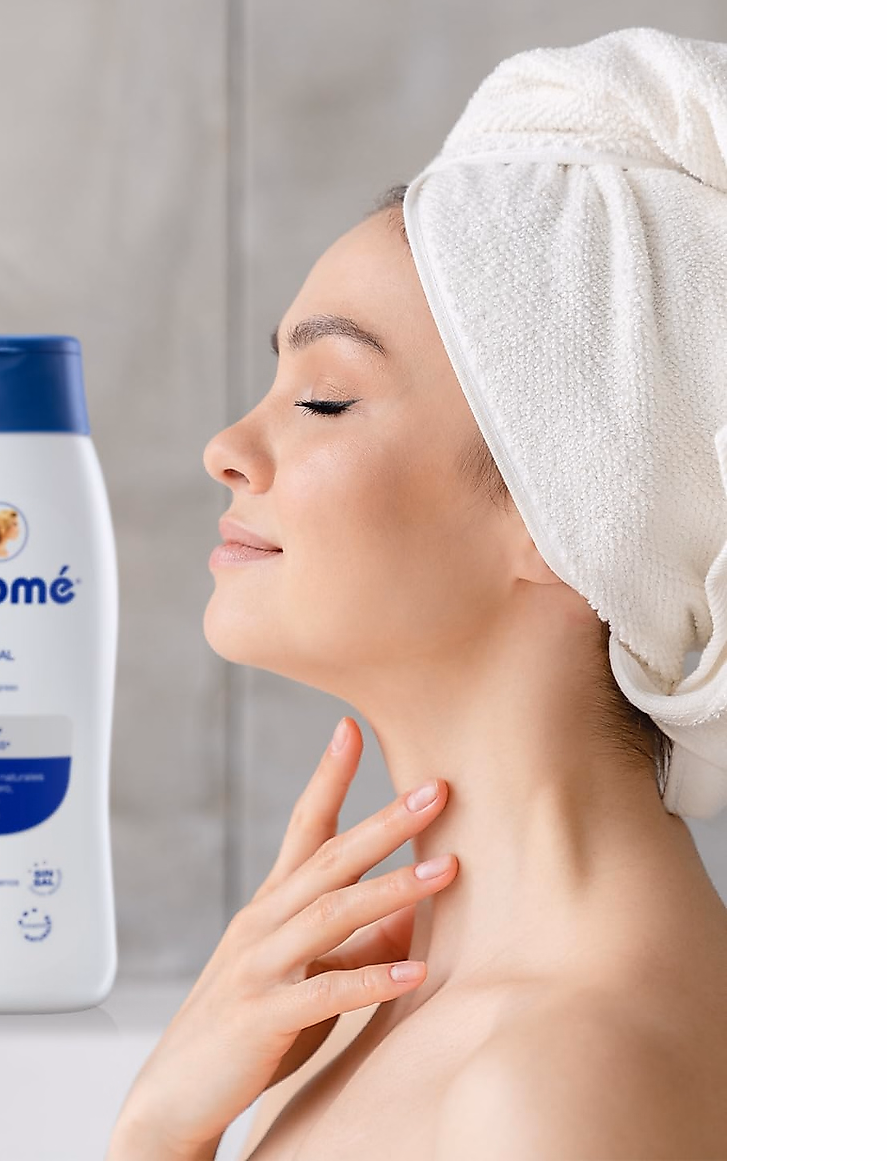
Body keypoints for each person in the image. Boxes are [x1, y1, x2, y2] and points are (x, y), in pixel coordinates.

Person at [106, 178, 726, 1159]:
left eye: (324, 398)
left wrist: (153, 1131)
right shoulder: (338, 1020)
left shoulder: (562, 1084)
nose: (226, 448)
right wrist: (162, 1129)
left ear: (565, 509)